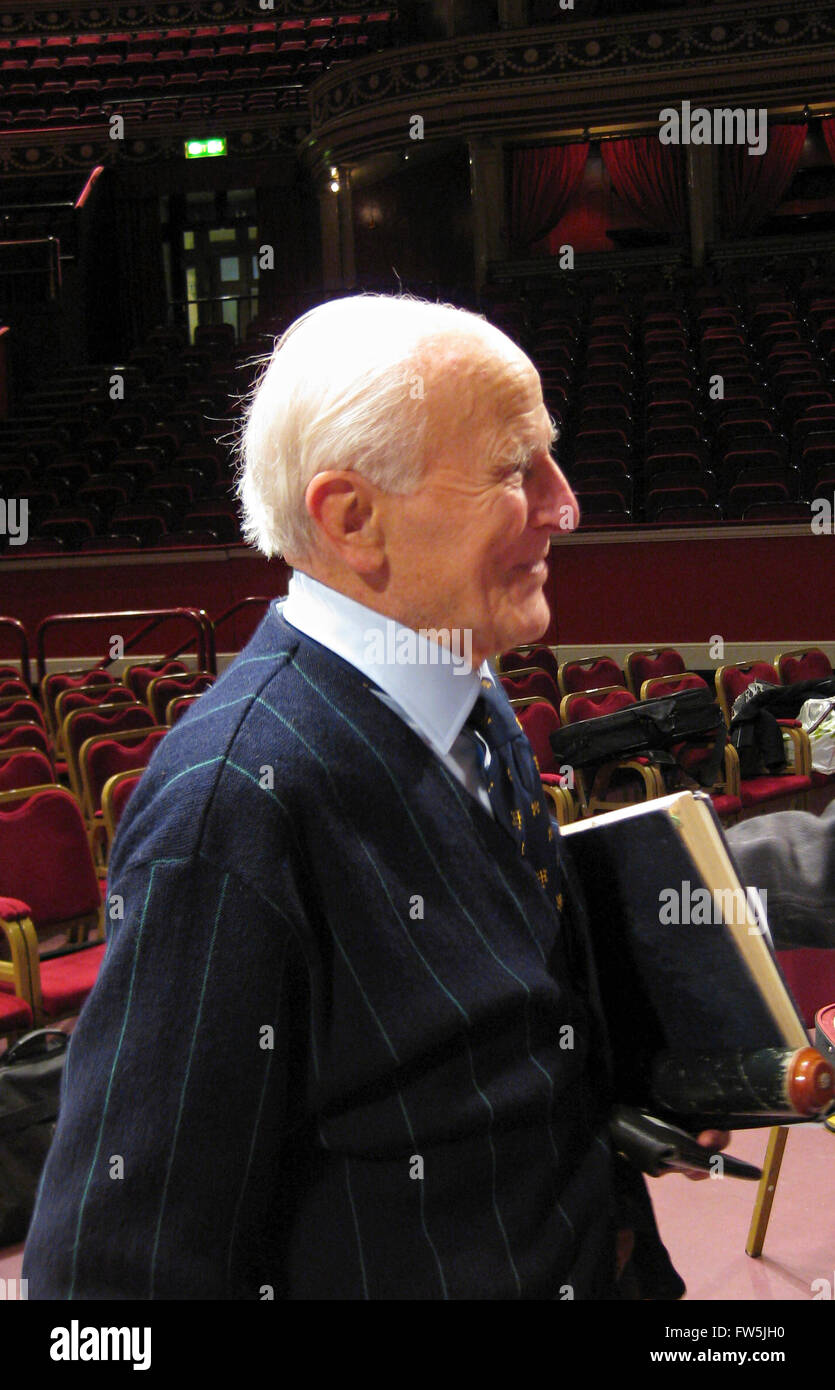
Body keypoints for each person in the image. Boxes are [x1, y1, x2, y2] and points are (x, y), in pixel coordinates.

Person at [21, 295, 823, 1301]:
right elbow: (105, 1282)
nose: (565, 506)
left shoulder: (470, 697)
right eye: (513, 469)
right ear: (354, 517)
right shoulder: (231, 800)